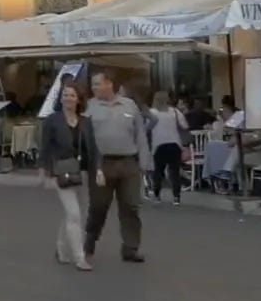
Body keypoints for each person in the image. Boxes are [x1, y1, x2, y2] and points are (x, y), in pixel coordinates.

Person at [82, 70, 149, 263]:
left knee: (131, 206)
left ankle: (131, 248)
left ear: (109, 83)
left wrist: (144, 162)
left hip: (129, 163)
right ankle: (89, 243)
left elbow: (140, 135)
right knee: (98, 207)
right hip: (102, 165)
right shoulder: (89, 107)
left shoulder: (129, 105)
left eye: (97, 84)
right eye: (92, 85)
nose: (94, 88)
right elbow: (84, 137)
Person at [41, 80, 94, 271]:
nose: (68, 98)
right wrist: (45, 173)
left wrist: (99, 171)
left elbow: (93, 150)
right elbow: (45, 148)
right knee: (74, 214)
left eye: (72, 95)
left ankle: (61, 248)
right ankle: (79, 257)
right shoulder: (52, 120)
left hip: (83, 172)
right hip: (61, 172)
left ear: (79, 99)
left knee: (76, 213)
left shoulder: (86, 122)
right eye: (65, 95)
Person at [147, 91, 188, 205]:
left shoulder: (152, 112)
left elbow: (147, 128)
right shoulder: (175, 111)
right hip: (175, 144)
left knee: (158, 171)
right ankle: (176, 197)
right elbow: (184, 125)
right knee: (174, 171)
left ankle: (157, 195)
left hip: (159, 144)